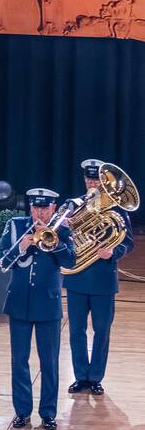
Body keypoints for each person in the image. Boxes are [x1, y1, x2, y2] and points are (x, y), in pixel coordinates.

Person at [0, 188, 75, 430]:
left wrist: (54, 244)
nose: (39, 212)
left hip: (48, 304)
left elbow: (71, 262)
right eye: (35, 207)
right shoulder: (15, 225)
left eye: (45, 207)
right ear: (30, 207)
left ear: (53, 208)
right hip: (19, 302)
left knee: (49, 361)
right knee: (19, 360)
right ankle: (22, 412)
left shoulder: (62, 229)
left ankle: (48, 413)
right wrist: (21, 246)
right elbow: (1, 263)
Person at [66, 160, 135, 397]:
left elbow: (128, 243)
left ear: (103, 182)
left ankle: (95, 377)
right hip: (76, 278)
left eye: (96, 180)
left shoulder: (117, 210)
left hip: (104, 280)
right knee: (76, 331)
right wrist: (65, 227)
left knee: (102, 331)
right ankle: (80, 376)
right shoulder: (72, 205)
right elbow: (60, 237)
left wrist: (112, 253)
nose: (92, 183)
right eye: (89, 180)